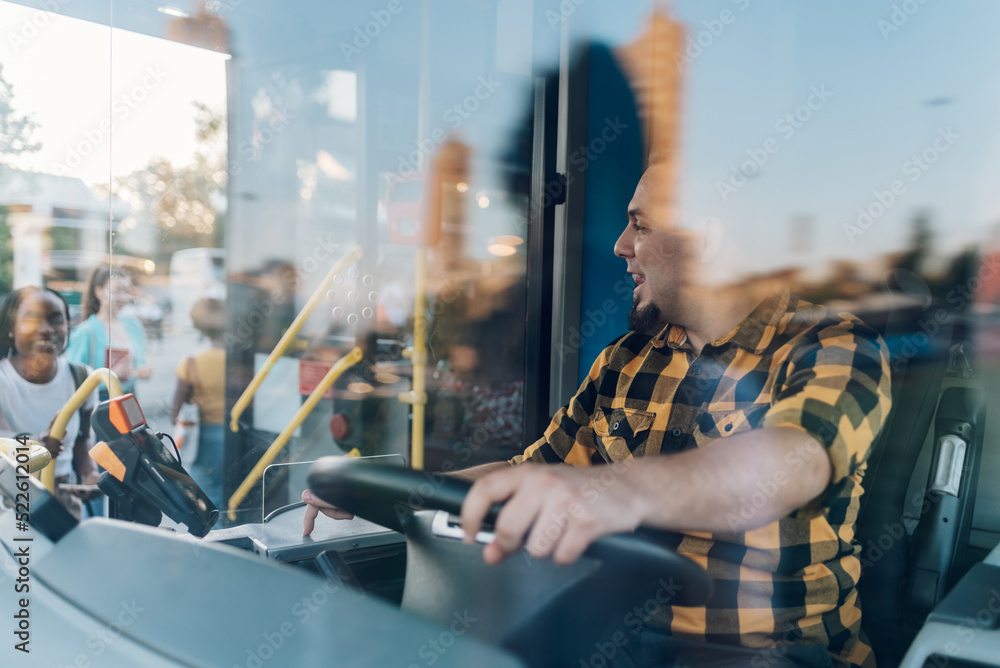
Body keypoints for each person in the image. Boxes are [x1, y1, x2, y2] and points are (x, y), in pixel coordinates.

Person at [303, 164, 892, 668]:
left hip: (765, 652)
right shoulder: (625, 360)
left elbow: (794, 459)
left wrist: (619, 491)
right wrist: (402, 490)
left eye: (639, 225)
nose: (620, 246)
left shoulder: (832, 346)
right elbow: (533, 470)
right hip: (617, 636)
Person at [0, 286, 100, 520]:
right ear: (11, 329)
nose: (45, 330)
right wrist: (33, 446)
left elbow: (82, 443)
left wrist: (90, 475)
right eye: (32, 319)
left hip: (62, 500)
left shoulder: (82, 378)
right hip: (9, 498)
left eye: (56, 320)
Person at [170, 297, 227, 511]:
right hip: (239, 438)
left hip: (203, 441)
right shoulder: (240, 362)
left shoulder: (191, 364)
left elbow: (175, 412)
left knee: (206, 500)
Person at [65, 265, 153, 399]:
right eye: (117, 291)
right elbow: (72, 381)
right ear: (99, 292)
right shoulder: (85, 332)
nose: (124, 297)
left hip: (129, 397)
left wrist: (142, 371)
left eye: (126, 291)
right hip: (100, 401)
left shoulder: (134, 326)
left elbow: (140, 362)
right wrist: (111, 375)